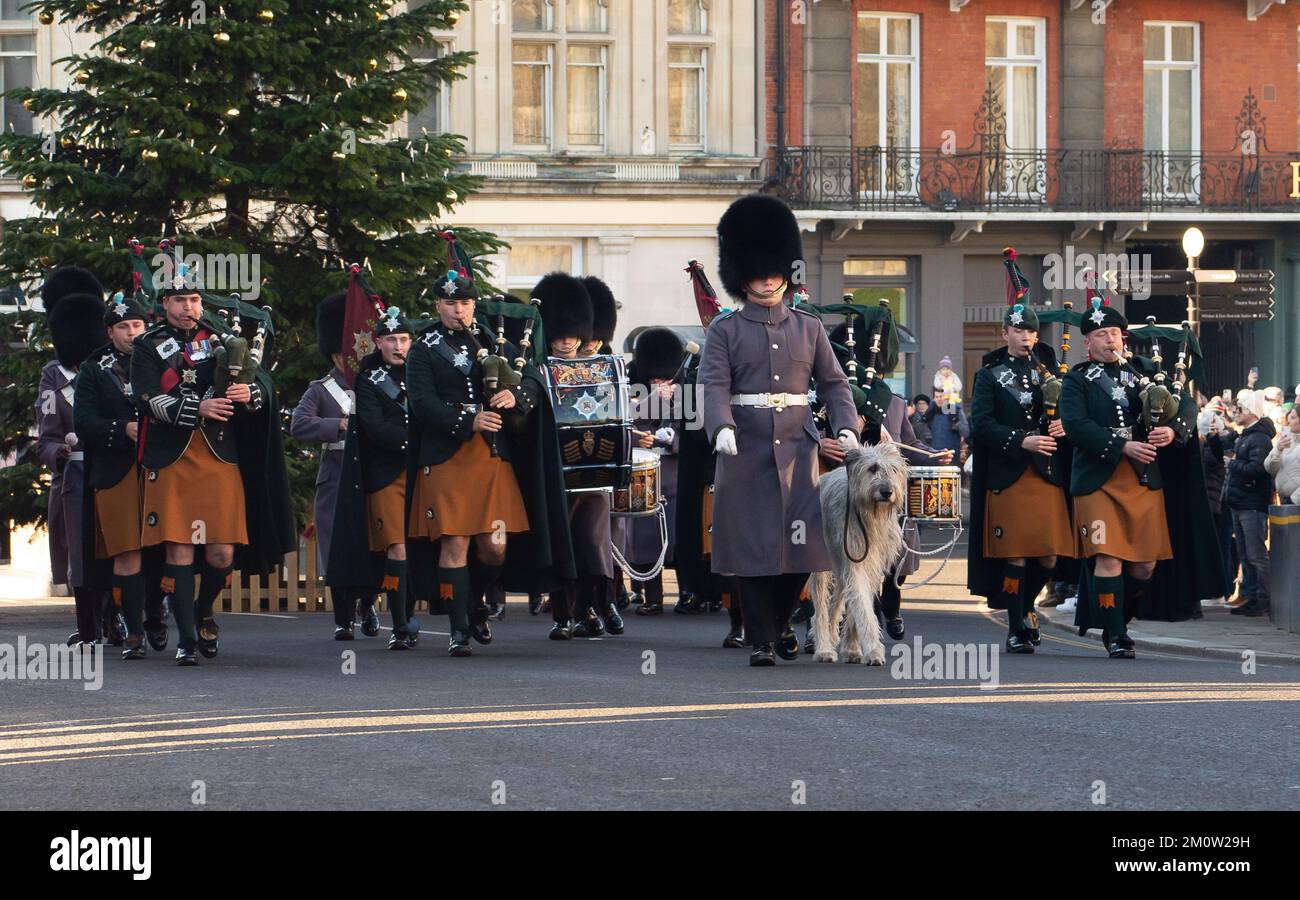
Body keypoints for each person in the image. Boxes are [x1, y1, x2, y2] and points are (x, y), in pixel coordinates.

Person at [699, 194, 858, 667]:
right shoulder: (725, 331)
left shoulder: (808, 328)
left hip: (797, 448)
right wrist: (720, 427)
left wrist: (846, 426)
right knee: (752, 550)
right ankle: (762, 640)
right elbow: (713, 385)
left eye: (773, 269)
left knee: (803, 551)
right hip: (744, 448)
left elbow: (834, 382)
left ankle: (780, 622)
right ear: (741, 275)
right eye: (757, 270)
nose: (767, 278)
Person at [132, 270, 294, 665]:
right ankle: (187, 638)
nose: (188, 308)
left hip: (220, 455)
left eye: (194, 300)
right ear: (165, 305)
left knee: (221, 554)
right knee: (181, 548)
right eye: (179, 301)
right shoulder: (148, 346)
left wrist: (251, 391)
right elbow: (145, 397)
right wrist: (196, 408)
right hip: (173, 456)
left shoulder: (221, 337)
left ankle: (204, 609)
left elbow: (264, 386)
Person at [404, 270, 532, 656]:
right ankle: (459, 628)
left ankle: (476, 598)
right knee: (455, 543)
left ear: (473, 304)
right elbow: (422, 404)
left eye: (463, 303)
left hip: (492, 456)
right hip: (448, 457)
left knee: (495, 547)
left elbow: (531, 382)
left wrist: (517, 397)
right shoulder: (423, 348)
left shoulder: (496, 339)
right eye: (449, 303)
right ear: (437, 306)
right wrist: (469, 419)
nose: (457, 310)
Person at [1059, 300, 1173, 658]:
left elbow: (1181, 404)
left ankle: (1120, 615)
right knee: (1108, 558)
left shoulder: (1143, 372)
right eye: (1101, 335)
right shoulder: (1076, 380)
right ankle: (1116, 635)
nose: (1110, 341)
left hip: (1141, 480)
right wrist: (1123, 446)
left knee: (1144, 565)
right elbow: (1076, 426)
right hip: (1096, 481)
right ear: (1087, 343)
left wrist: (1169, 429)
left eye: (1114, 334)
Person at [967, 301, 1074, 653]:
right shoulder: (988, 375)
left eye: (1030, 330)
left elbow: (1064, 419)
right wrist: (1020, 439)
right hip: (1009, 474)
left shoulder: (1050, 375)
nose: (1025, 336)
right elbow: (980, 425)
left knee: (1048, 557)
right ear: (1005, 333)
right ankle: (1015, 625)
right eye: (1018, 330)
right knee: (1015, 555)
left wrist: (1062, 425)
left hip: (1046, 474)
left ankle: (1026, 604)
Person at [535, 272, 621, 640]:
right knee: (560, 541)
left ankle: (593, 604)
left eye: (573, 333)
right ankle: (561, 613)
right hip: (554, 467)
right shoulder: (537, 370)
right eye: (560, 333)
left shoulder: (601, 369)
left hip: (594, 464)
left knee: (591, 539)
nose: (568, 340)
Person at [291, 291, 380, 640]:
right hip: (336, 473)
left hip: (370, 472)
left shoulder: (375, 385)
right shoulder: (321, 390)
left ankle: (369, 603)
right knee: (336, 546)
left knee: (371, 541)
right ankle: (343, 617)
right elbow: (299, 424)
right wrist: (337, 425)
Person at [328, 307, 418, 649]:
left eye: (404, 339)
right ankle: (399, 625)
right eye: (392, 339)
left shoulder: (421, 373)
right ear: (377, 342)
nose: (399, 346)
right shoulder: (368, 380)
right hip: (386, 474)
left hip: (423, 473)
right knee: (397, 547)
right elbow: (377, 428)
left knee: (419, 548)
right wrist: (417, 442)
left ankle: (409, 613)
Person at [74, 291, 151, 658]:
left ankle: (156, 618)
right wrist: (123, 429)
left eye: (137, 325)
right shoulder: (94, 369)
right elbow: (83, 422)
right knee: (127, 552)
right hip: (115, 469)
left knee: (167, 550)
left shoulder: (162, 361)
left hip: (161, 467)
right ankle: (133, 630)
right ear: (110, 332)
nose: (132, 332)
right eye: (123, 326)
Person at [40, 276, 111, 645]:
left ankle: (120, 619)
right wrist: (59, 453)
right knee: (79, 555)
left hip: (112, 467)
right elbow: (48, 431)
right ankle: (89, 626)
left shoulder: (109, 369)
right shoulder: (53, 376)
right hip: (74, 474)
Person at [627, 327, 686, 617]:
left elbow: (698, 434)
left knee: (681, 536)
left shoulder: (687, 397)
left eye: (662, 378)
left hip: (675, 474)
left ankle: (690, 593)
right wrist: (646, 437)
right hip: (648, 475)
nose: (657, 383)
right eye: (652, 379)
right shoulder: (640, 399)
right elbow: (630, 424)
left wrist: (672, 440)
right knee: (647, 538)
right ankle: (653, 596)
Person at [1225, 399, 1276, 618]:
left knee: (1255, 554)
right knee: (1245, 553)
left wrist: (1232, 464)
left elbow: (1258, 469)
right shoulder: (1247, 436)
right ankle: (1252, 595)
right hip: (1241, 500)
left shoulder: (1259, 438)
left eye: (1241, 409)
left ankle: (1264, 598)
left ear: (1253, 413)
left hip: (1251, 503)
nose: (1236, 412)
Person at [1265, 406, 1300, 506]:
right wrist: (1278, 450)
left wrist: (1295, 500)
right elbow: (1269, 468)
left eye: (1293, 418)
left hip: (1294, 503)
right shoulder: (1287, 439)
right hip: (1284, 500)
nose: (1288, 422)